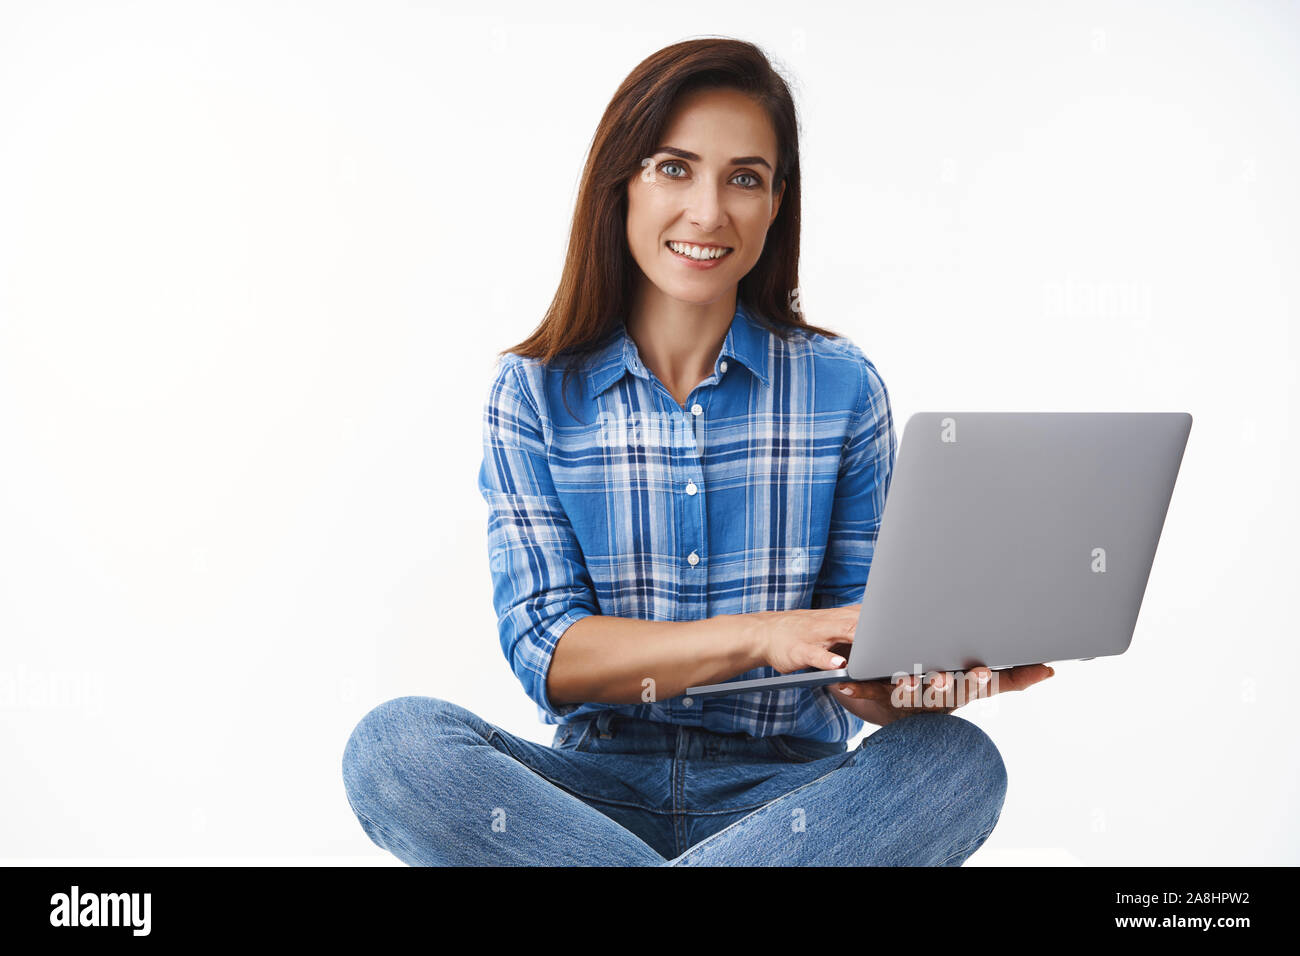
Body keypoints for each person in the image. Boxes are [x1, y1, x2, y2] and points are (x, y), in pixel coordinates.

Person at [342, 36, 1052, 866]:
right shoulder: (532, 393)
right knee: (394, 748)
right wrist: (760, 636)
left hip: (793, 808)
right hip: (587, 802)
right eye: (674, 168)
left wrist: (919, 685)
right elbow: (549, 653)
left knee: (957, 764)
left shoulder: (843, 387)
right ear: (622, 184)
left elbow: (852, 650)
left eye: (744, 178)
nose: (709, 212)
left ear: (777, 201)